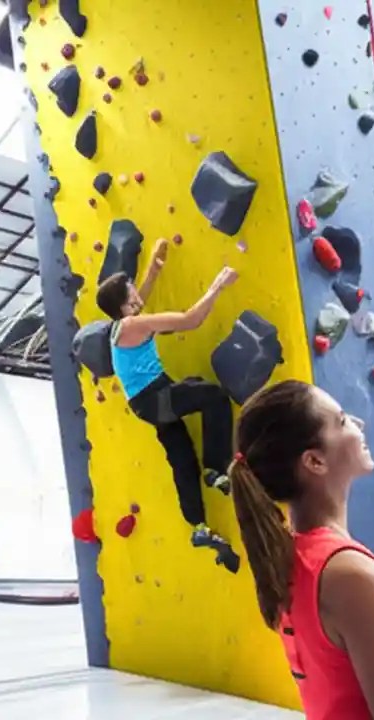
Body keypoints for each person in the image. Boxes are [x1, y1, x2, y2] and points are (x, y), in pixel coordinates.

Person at [228, 380, 374, 720]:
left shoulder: (296, 557)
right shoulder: (352, 577)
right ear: (314, 461)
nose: (358, 423)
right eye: (341, 421)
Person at [97, 239, 240, 565]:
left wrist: (154, 269)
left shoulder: (122, 325)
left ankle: (199, 525)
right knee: (213, 396)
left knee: (181, 456)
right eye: (131, 289)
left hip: (147, 403)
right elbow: (191, 319)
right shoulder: (133, 325)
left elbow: (140, 300)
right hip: (155, 397)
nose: (137, 292)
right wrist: (219, 283)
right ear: (124, 302)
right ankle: (215, 469)